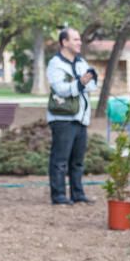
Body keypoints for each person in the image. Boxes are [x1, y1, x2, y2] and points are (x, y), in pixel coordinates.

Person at [47, 27, 97, 206]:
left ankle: (78, 194)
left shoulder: (81, 62)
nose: (79, 42)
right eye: (75, 39)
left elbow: (91, 86)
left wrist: (84, 82)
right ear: (64, 42)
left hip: (81, 118)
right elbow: (61, 89)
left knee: (77, 161)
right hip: (63, 119)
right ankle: (59, 196)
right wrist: (80, 83)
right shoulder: (55, 64)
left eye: (79, 39)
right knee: (60, 160)